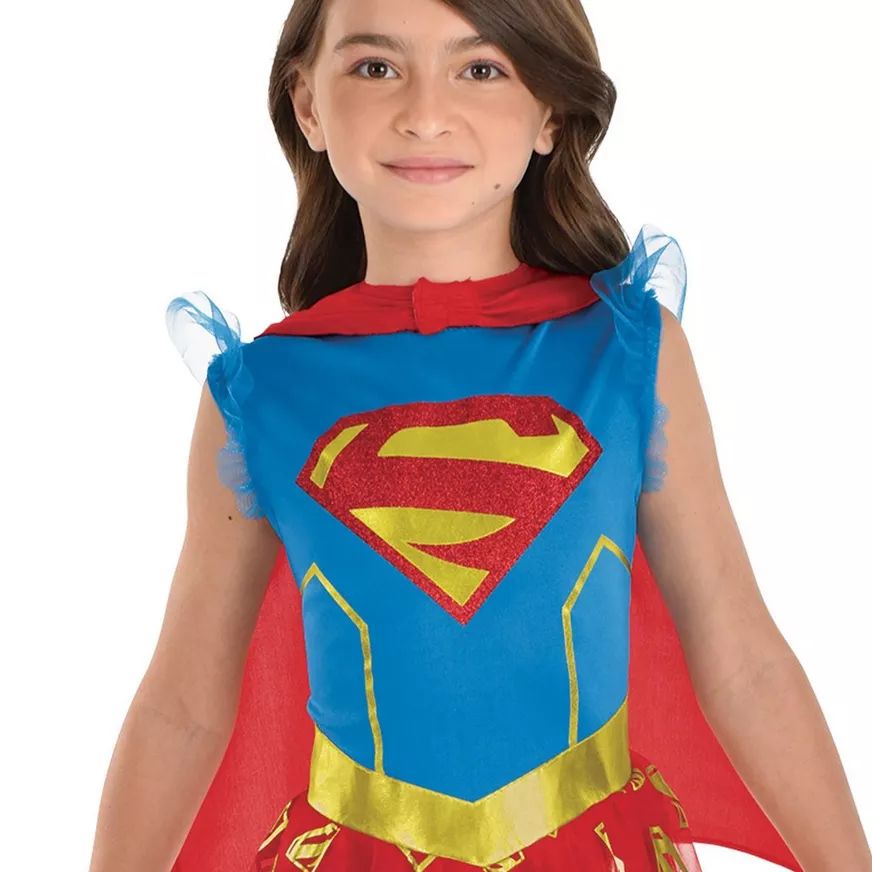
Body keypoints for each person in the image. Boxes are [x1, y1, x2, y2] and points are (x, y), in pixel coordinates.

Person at [88, 1, 872, 870]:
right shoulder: (262, 392)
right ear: (308, 104)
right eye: (377, 68)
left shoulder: (625, 354)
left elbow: (743, 661)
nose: (426, 114)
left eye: (481, 69)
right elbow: (183, 705)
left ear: (550, 113)